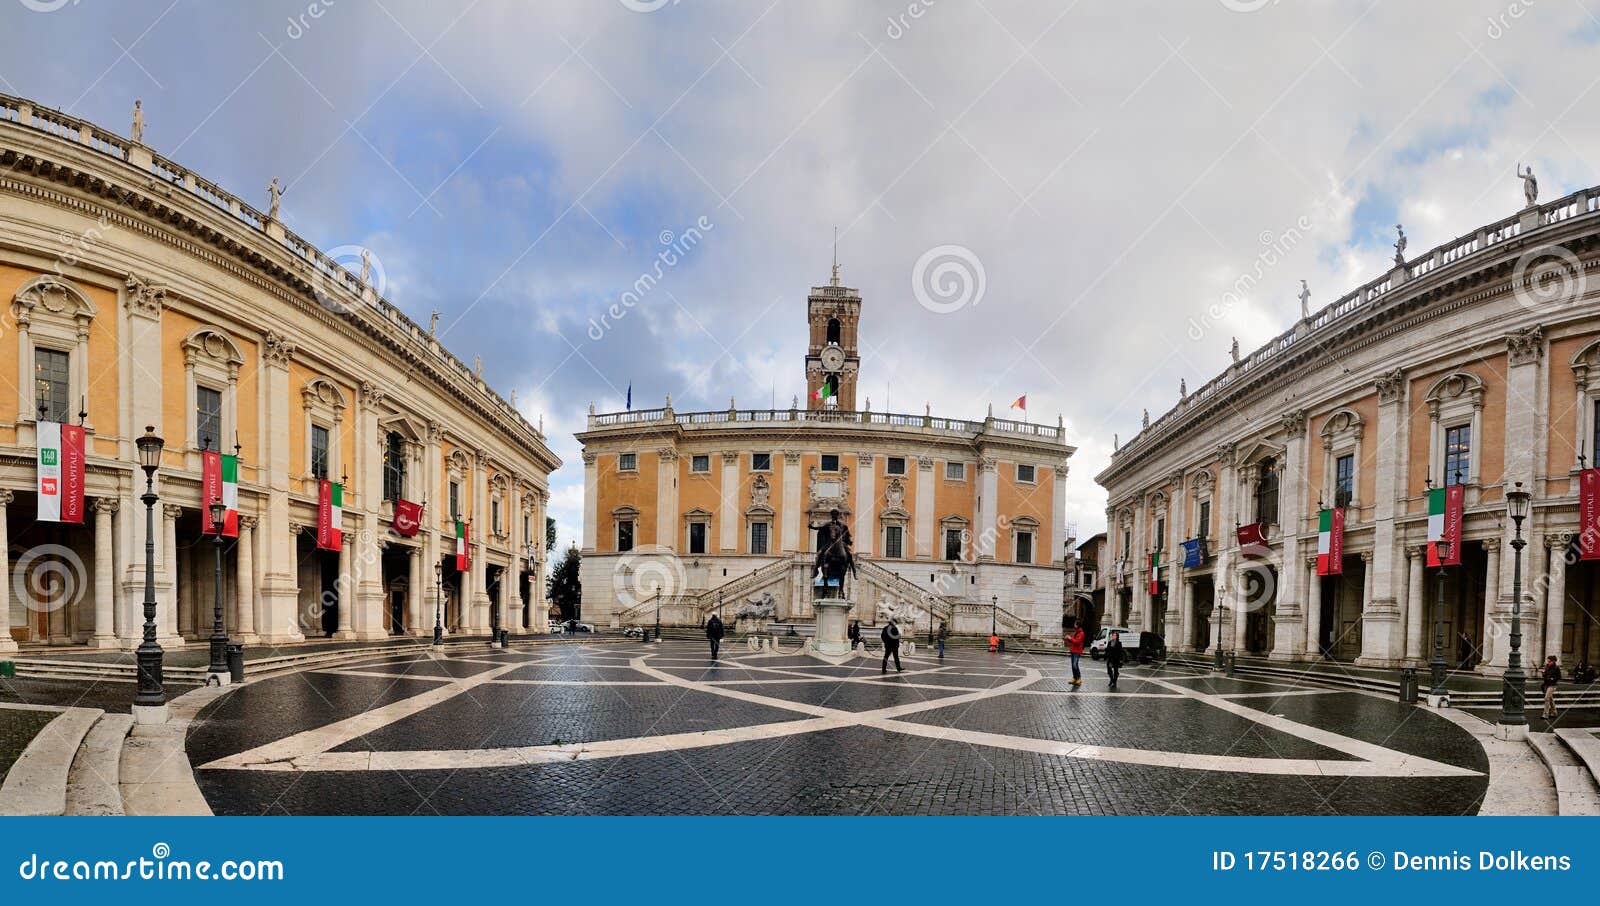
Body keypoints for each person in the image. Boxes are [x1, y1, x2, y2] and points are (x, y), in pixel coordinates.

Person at [1066, 619, 1086, 687]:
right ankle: (1075, 678)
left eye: (1075, 624)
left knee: (1075, 665)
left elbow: (1077, 642)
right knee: (1073, 665)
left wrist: (1070, 638)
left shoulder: (1081, 633)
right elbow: (1073, 641)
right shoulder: (1076, 632)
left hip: (1077, 651)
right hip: (1073, 650)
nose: (1074, 625)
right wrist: (1068, 639)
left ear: (1077, 625)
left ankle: (1079, 678)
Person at [1542, 655, 1562, 720]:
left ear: (1553, 661)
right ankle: (1554, 712)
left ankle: (1545, 714)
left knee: (1546, 698)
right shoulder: (1547, 667)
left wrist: (1552, 678)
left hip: (1552, 685)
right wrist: (1543, 673)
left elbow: (1559, 677)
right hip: (1546, 684)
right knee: (1550, 699)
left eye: (1549, 661)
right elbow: (1545, 675)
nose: (1548, 662)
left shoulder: (1556, 668)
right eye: (1547, 661)